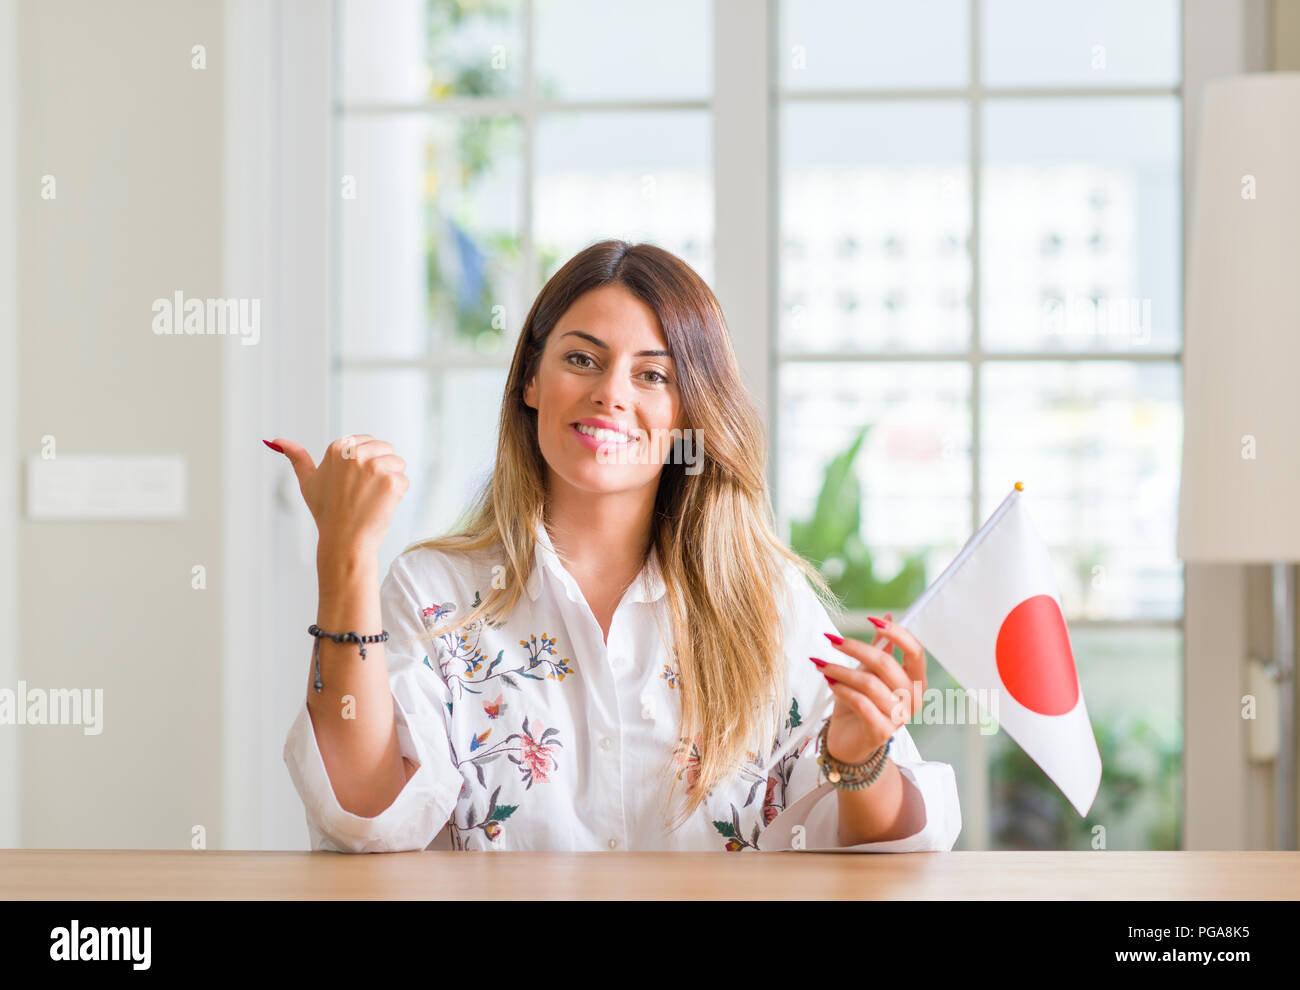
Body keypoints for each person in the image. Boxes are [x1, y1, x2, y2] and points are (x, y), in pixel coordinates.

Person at [270, 239, 961, 853]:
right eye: (582, 359)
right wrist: (347, 555)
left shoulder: (768, 604)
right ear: (532, 382)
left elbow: (883, 841)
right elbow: (363, 817)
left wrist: (859, 757)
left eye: (652, 375)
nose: (610, 395)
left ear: (689, 409)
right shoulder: (434, 591)